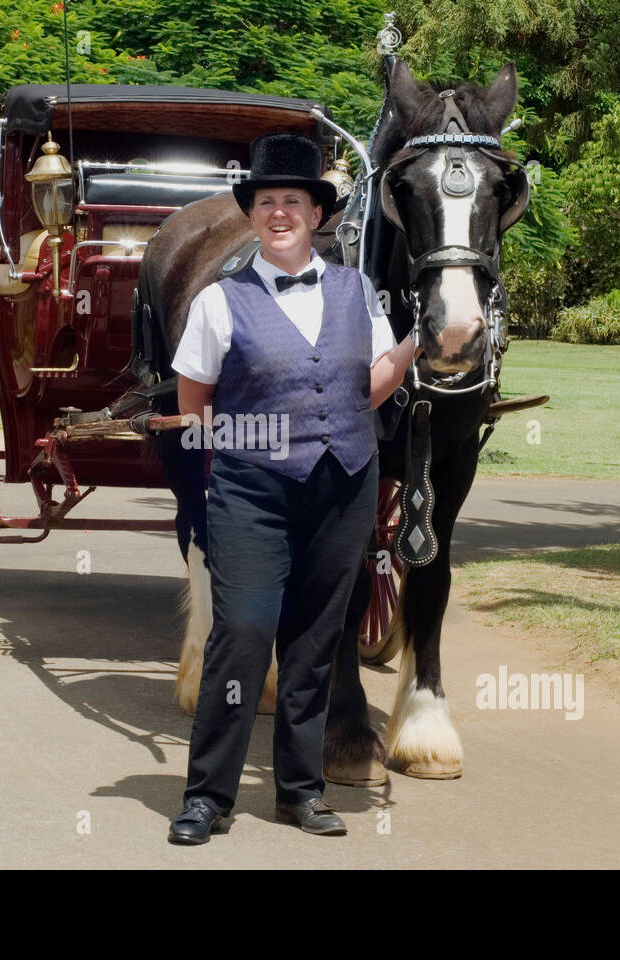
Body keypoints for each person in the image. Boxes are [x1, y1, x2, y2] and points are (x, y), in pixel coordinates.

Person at [167, 132, 415, 844]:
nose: (280, 212)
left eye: (294, 201)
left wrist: (414, 346)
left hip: (345, 487)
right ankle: (207, 797)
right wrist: (257, 450)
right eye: (267, 201)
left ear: (315, 214)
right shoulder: (221, 302)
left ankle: (300, 791)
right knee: (242, 634)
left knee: (313, 642)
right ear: (253, 215)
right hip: (252, 493)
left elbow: (369, 388)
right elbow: (193, 407)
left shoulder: (356, 290)